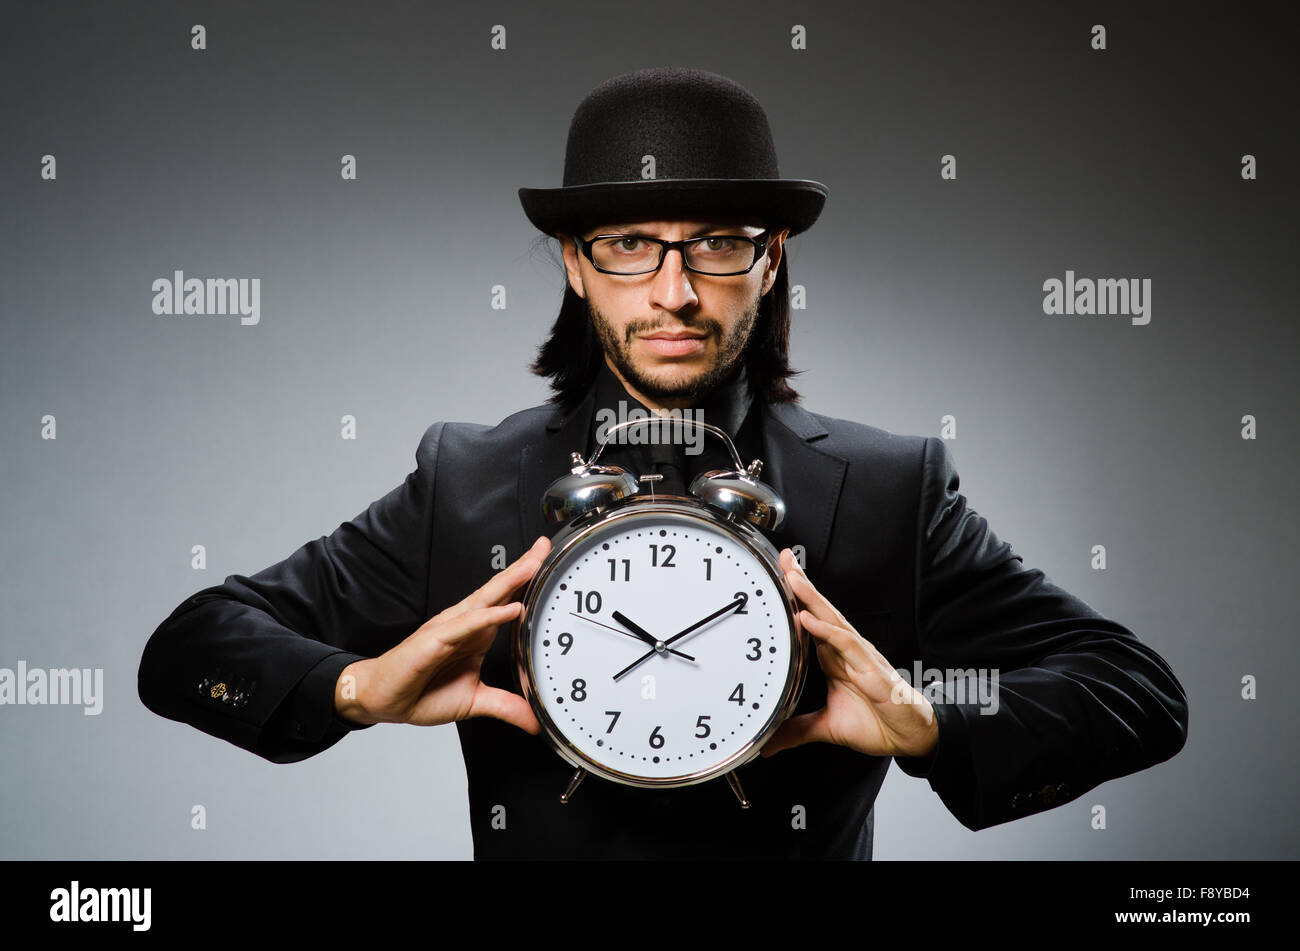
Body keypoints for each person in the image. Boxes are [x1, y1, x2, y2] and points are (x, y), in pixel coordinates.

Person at [137, 67, 1188, 860]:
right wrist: (358, 688)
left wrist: (926, 724)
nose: (675, 292)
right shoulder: (469, 481)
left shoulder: (884, 489)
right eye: (631, 244)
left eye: (718, 243)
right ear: (574, 263)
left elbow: (1138, 693)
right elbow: (188, 649)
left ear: (771, 258)